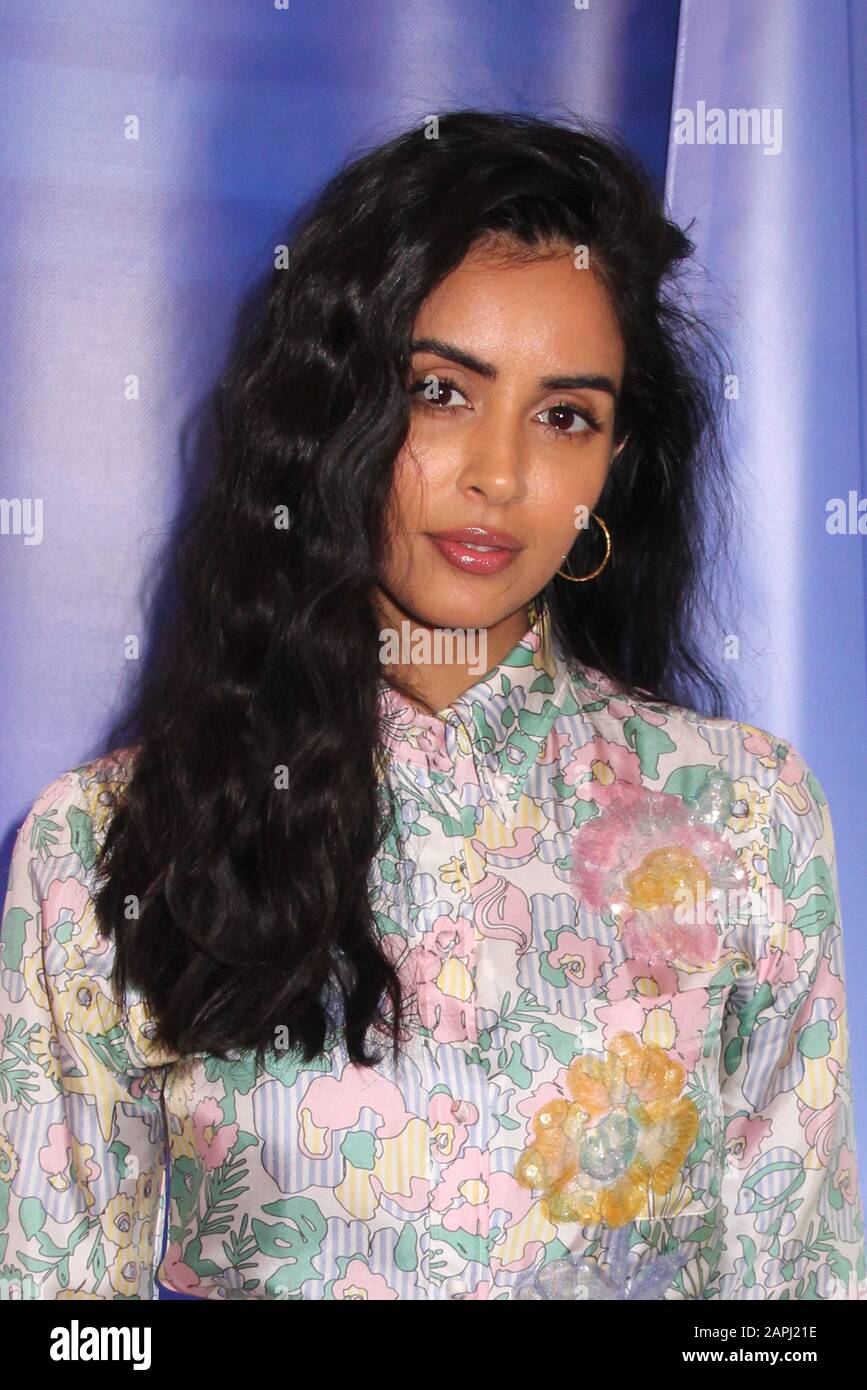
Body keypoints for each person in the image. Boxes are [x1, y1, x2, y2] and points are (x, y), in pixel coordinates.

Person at [0, 108, 863, 1302]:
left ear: (613, 466)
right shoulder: (105, 847)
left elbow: (793, 1308)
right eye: (442, 392)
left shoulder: (742, 818)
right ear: (333, 415)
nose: (499, 474)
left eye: (566, 416)